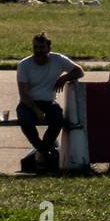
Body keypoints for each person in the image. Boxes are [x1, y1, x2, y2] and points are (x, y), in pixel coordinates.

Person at [16, 33, 84, 169]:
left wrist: (64, 78)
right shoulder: (24, 65)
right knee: (26, 121)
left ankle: (42, 151)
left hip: (48, 102)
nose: (38, 50)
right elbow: (23, 95)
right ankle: (42, 149)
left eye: (41, 47)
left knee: (58, 120)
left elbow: (79, 72)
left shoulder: (58, 59)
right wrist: (37, 111)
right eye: (35, 47)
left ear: (48, 48)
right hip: (28, 103)